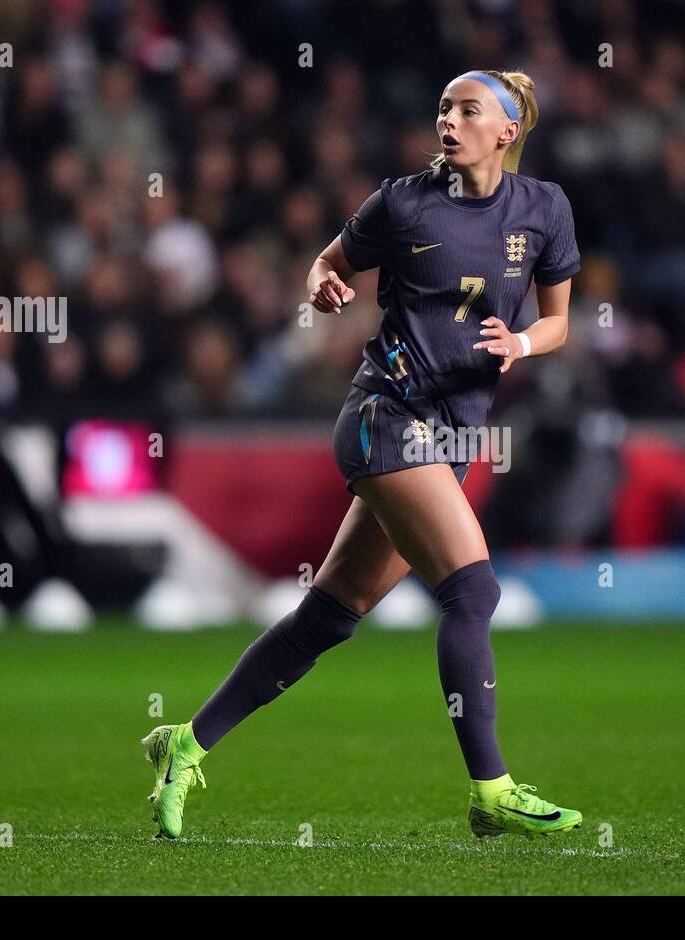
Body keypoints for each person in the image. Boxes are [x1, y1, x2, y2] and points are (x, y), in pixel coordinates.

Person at [141, 69, 583, 840]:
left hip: (453, 434)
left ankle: (185, 742)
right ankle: (491, 788)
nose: (448, 118)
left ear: (507, 130)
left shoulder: (544, 209)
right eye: (442, 105)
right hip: (386, 413)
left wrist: (519, 341)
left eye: (467, 109)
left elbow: (558, 324)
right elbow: (326, 261)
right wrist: (322, 288)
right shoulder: (404, 201)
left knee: (329, 617)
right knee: (473, 592)